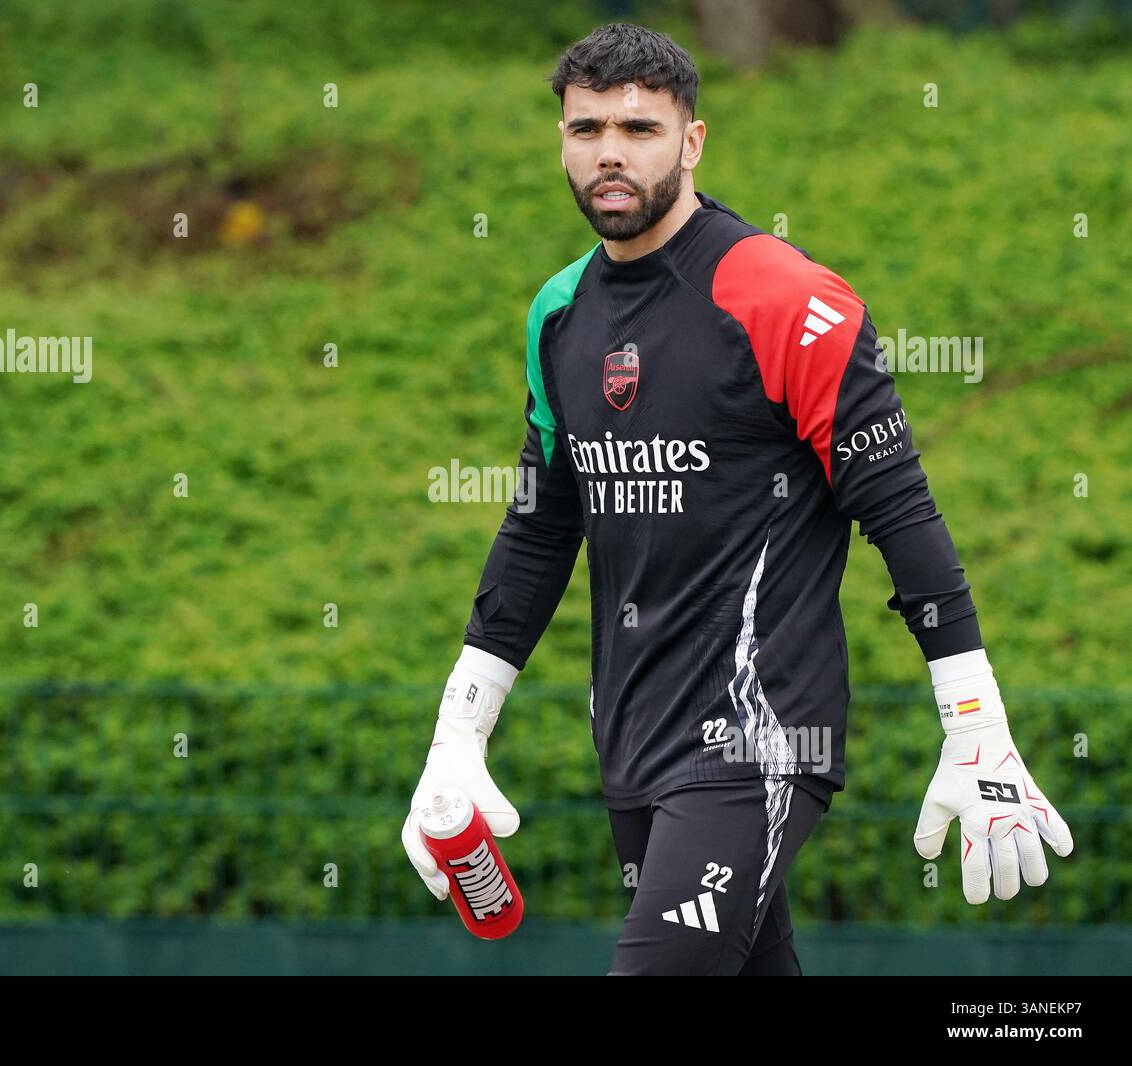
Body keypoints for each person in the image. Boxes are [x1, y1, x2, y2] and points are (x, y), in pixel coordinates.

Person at [401, 22, 1072, 976]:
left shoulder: (783, 297)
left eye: (639, 128)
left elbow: (903, 515)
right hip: (631, 740)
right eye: (586, 128)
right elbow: (540, 528)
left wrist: (977, 725)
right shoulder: (559, 314)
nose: (609, 154)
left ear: (694, 140)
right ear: (560, 140)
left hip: (759, 740)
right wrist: (456, 735)